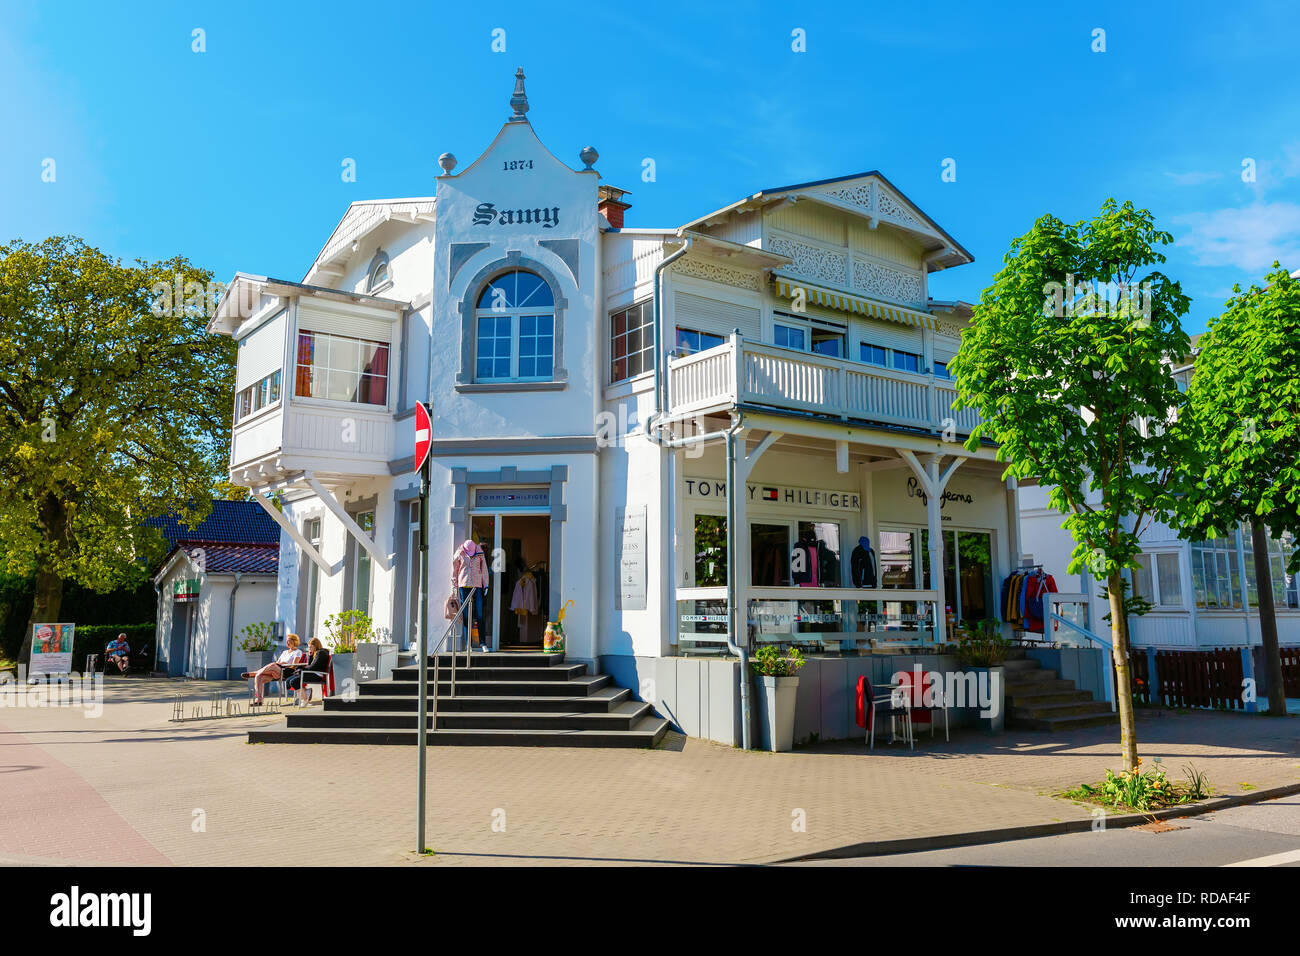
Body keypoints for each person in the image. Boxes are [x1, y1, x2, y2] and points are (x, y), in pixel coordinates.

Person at [244, 633, 305, 705]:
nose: (287, 643)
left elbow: (294, 666)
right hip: (277, 670)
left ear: (294, 641)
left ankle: (254, 673)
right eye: (287, 641)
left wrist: (284, 664)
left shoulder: (297, 652)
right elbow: (278, 662)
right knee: (258, 677)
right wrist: (280, 663)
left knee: (272, 665)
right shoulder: (284, 652)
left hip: (287, 671)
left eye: (289, 641)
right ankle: (259, 700)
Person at [451, 537, 490, 651]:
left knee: (480, 614)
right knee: (467, 615)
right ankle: (468, 644)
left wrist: (485, 584)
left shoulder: (479, 553)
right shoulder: (459, 553)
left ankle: (483, 643)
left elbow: (484, 569)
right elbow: (455, 570)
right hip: (464, 585)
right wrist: (454, 586)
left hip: (477, 586)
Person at [285, 637, 331, 702]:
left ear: (315, 646)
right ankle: (306, 692)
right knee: (288, 680)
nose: (309, 649)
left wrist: (302, 670)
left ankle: (305, 699)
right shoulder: (316, 653)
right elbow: (310, 665)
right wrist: (310, 656)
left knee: (293, 681)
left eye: (310, 647)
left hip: (318, 675)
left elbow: (313, 667)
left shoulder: (321, 653)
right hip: (313, 673)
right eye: (308, 647)